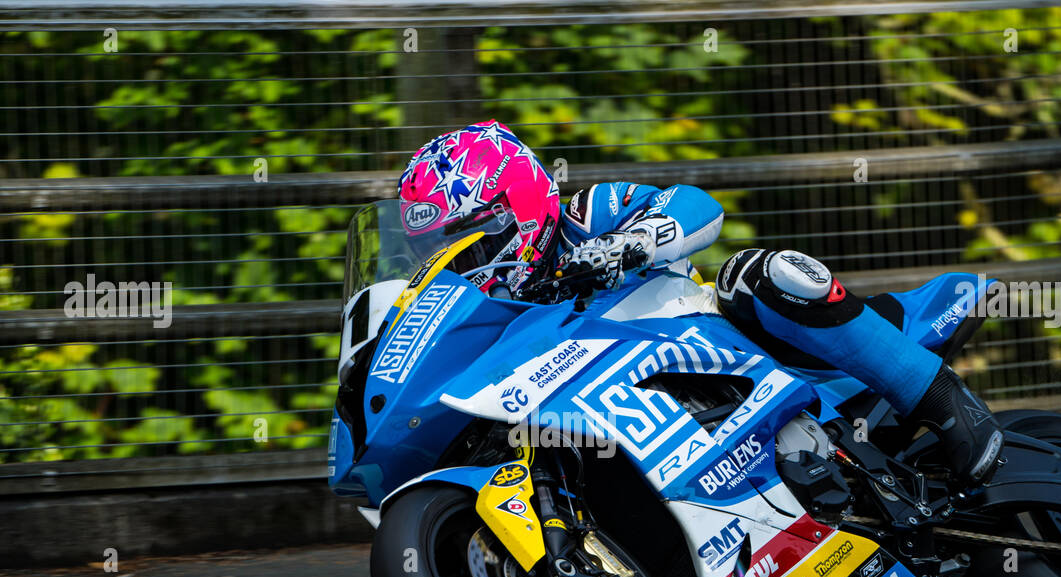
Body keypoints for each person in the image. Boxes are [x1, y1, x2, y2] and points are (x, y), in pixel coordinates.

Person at [397, 119, 1003, 484]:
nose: (466, 258)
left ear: (515, 205)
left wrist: (627, 245)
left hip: (719, 346)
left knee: (762, 273)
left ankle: (947, 400)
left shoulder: (585, 216)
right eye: (445, 246)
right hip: (628, 411)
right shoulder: (500, 311)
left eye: (473, 236)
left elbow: (696, 205)